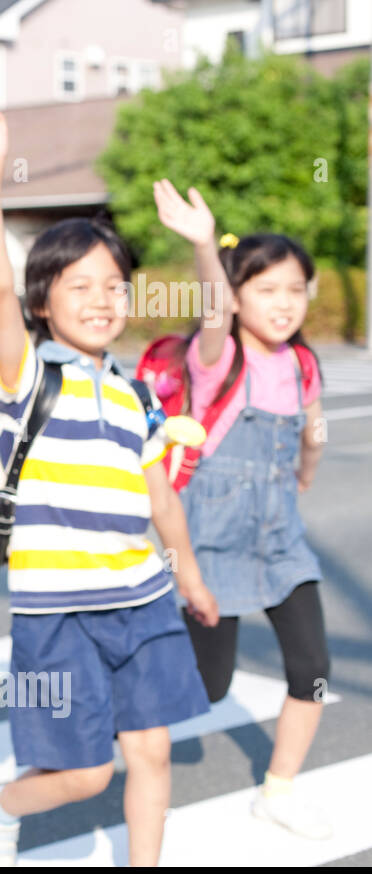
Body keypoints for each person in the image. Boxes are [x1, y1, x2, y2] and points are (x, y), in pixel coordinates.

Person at [0, 101, 217, 867]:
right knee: (81, 772)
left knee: (154, 755)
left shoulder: (138, 394)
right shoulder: (26, 374)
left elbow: (160, 497)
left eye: (114, 286)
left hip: (143, 599)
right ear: (43, 302)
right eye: (80, 285)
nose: (103, 299)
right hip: (56, 610)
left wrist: (189, 575)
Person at [153, 179, 331, 840]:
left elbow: (313, 429)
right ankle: (135, 738)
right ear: (237, 295)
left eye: (295, 289)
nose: (284, 304)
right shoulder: (218, 356)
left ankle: (278, 789)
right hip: (213, 543)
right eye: (266, 289)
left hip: (282, 539)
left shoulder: (305, 363)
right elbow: (209, 310)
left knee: (312, 671)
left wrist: (306, 473)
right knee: (211, 686)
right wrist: (205, 243)